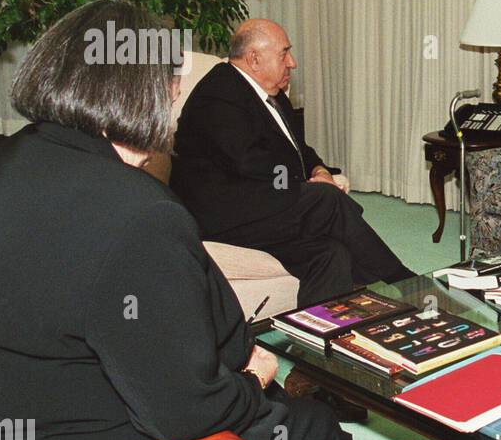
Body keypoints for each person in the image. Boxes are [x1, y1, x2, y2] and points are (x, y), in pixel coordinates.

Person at [0, 0, 447, 440]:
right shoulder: (138, 215)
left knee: (275, 407)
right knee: (303, 424)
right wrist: (255, 376)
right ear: (144, 94)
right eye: (171, 86)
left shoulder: (4, 165)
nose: (175, 101)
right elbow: (189, 414)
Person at [170, 19, 413, 307]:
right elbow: (249, 161)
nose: (292, 63)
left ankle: (319, 336)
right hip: (223, 217)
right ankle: (406, 283)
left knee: (330, 253)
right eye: (284, 53)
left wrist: (319, 170)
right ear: (254, 59)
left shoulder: (270, 94)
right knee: (325, 199)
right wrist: (309, 183)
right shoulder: (219, 94)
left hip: (261, 207)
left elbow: (299, 149)